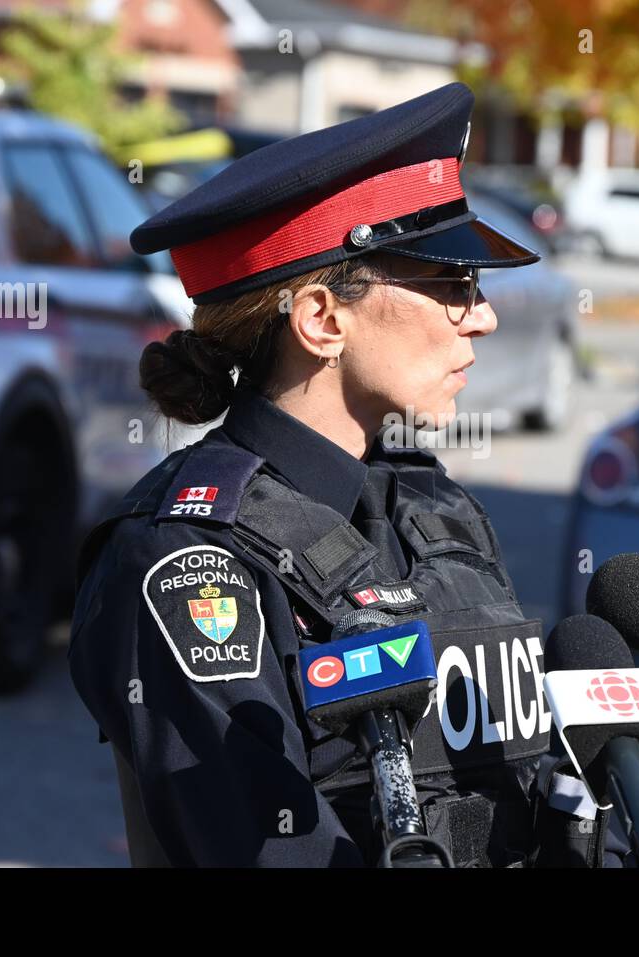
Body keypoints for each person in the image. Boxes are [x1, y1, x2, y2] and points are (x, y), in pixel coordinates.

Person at [69, 83, 582, 867]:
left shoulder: (438, 510)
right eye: (451, 284)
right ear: (321, 320)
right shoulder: (185, 557)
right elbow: (271, 847)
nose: (482, 316)